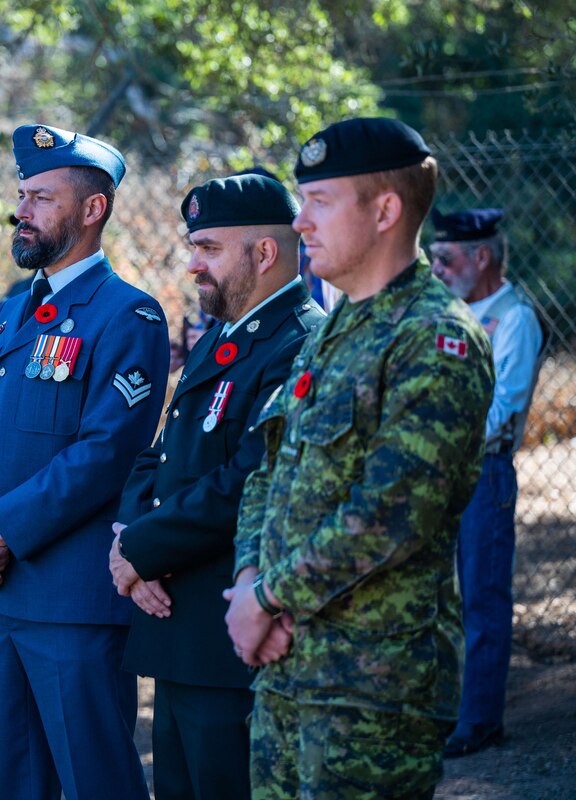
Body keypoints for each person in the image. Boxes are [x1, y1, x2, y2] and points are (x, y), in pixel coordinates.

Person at [224, 117, 495, 799]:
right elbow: (268, 472)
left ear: (386, 210)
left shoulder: (434, 338)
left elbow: (387, 517)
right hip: (288, 670)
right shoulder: (332, 333)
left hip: (372, 688)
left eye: (320, 200)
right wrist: (250, 577)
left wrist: (264, 599)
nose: (301, 221)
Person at [0, 124, 168, 799]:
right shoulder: (12, 312)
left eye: (40, 197)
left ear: (92, 210)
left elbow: (103, 454)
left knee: (95, 780)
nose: (21, 210)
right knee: (4, 784)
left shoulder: (129, 316)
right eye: (21, 195)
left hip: (69, 600)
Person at [112, 174, 325, 800]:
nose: (192, 265)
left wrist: (144, 550)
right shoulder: (229, 336)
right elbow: (160, 451)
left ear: (263, 253)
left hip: (230, 633)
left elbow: (251, 477)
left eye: (207, 248)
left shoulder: (298, 342)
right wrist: (130, 538)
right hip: (180, 630)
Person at [430, 207, 545, 757]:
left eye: (446, 258)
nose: (436, 267)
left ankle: (479, 719)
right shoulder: (450, 310)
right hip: (438, 468)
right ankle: (443, 709)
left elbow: (505, 408)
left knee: (482, 596)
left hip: (481, 469)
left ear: (481, 257)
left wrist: (438, 440)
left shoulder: (514, 317)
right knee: (438, 596)